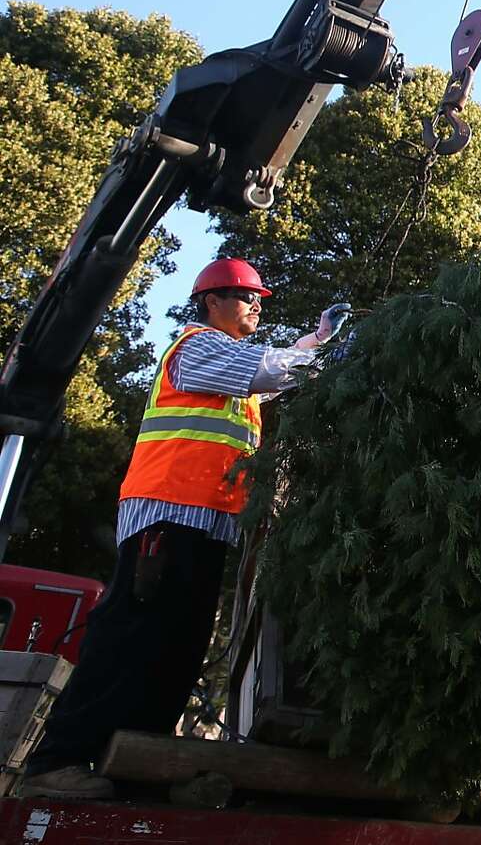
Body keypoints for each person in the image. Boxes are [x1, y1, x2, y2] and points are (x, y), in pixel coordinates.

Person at [22, 259, 345, 801]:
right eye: (247, 297)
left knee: (178, 647)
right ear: (211, 302)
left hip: (203, 523)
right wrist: (331, 356)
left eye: (258, 299)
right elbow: (267, 371)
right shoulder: (197, 348)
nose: (257, 306)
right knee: (132, 638)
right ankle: (57, 761)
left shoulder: (229, 364)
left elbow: (266, 374)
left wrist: (317, 337)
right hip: (168, 517)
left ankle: (137, 767)